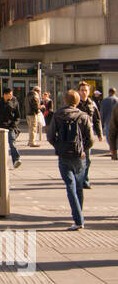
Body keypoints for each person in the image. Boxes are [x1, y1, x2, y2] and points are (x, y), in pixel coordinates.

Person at [47, 89, 94, 230]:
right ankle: (79, 217)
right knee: (79, 187)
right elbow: (90, 139)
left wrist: (59, 146)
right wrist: (83, 150)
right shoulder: (83, 116)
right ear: (78, 101)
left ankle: (78, 219)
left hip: (64, 156)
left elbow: (50, 136)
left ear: (65, 101)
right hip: (79, 157)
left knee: (70, 186)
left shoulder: (58, 115)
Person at [76, 81, 103, 189]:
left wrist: (100, 133)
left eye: (86, 90)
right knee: (78, 159)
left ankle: (85, 180)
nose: (84, 92)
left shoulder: (92, 104)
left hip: (88, 136)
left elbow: (97, 119)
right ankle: (78, 179)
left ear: (89, 91)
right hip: (76, 135)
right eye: (82, 90)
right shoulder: (75, 103)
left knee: (87, 159)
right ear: (79, 91)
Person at [0, 87, 22, 168]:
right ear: (5, 95)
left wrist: (14, 124)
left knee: (12, 143)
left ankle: (16, 160)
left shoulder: (14, 102)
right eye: (10, 94)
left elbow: (18, 116)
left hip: (10, 127)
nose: (12, 96)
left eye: (12, 94)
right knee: (0, 145)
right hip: (0, 127)